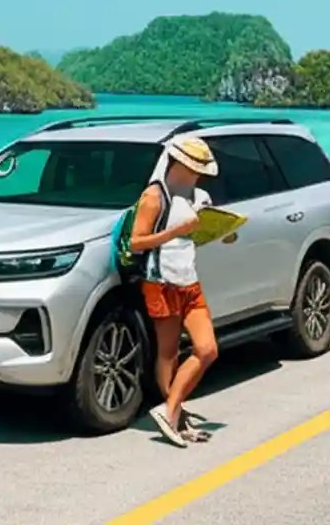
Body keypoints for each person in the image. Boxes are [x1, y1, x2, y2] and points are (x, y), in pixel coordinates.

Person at [128, 135, 219, 447]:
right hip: (161, 282)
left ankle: (170, 410)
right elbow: (135, 242)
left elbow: (193, 236)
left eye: (201, 169)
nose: (197, 174)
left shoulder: (199, 195)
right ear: (176, 163)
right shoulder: (154, 196)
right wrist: (175, 232)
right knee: (168, 354)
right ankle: (174, 414)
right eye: (194, 167)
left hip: (189, 280)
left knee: (207, 349)